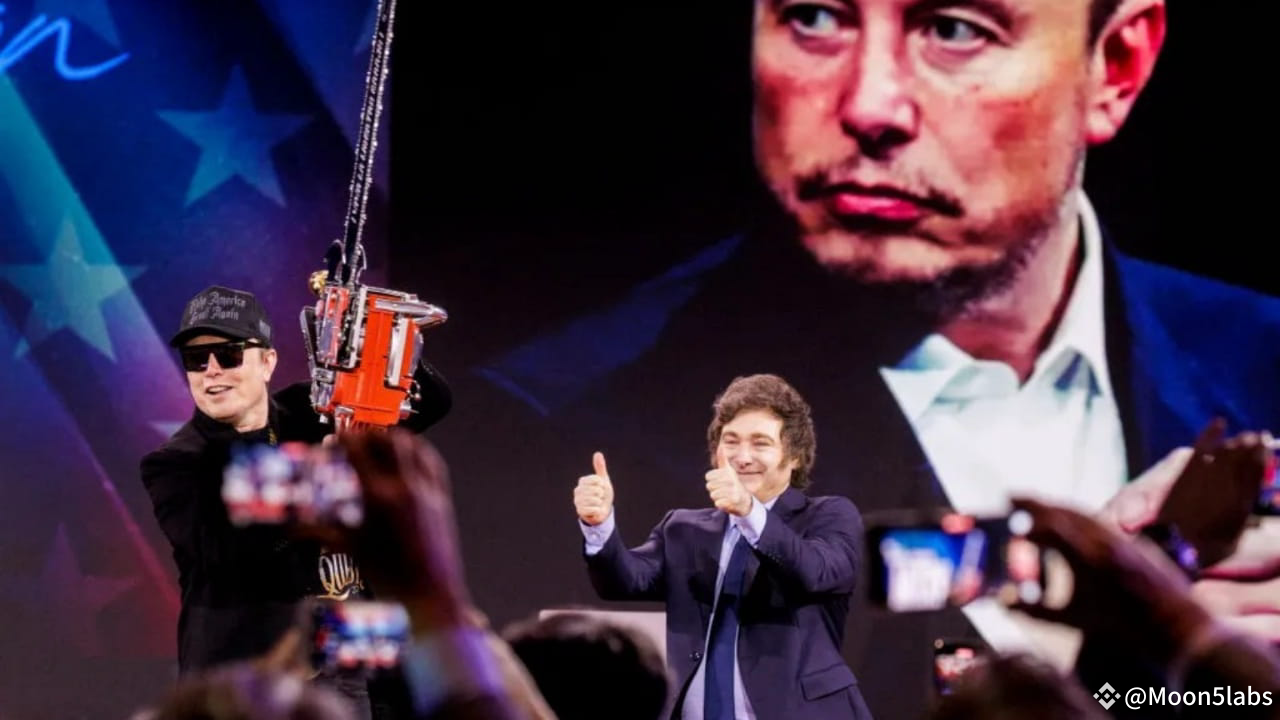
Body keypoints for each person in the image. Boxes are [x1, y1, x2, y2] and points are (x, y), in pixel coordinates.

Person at [445, 0, 1280, 715]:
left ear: (1117, 66)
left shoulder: (1263, 361)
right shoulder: (547, 430)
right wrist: (1175, 668)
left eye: (955, 28)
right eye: (814, 17)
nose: (870, 105)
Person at [140, 285, 452, 719]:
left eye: (229, 355)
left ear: (267, 362)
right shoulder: (179, 462)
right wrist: (318, 477)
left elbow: (433, 401)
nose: (211, 371)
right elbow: (225, 552)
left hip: (354, 651)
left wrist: (368, 333)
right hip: (256, 679)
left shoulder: (307, 411)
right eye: (196, 359)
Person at [574, 374, 871, 719]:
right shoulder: (683, 528)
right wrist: (599, 525)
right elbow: (624, 581)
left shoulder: (829, 515)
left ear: (794, 457)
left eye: (760, 443)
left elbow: (814, 572)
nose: (742, 457)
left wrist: (749, 511)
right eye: (731, 441)